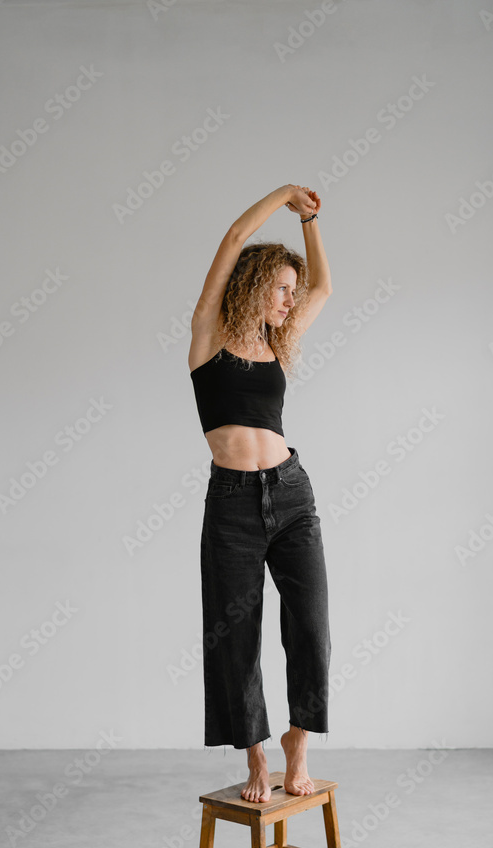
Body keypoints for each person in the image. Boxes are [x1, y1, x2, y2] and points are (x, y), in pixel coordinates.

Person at [188, 183, 333, 803]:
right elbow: (233, 238)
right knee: (235, 634)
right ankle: (256, 761)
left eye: (290, 292)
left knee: (311, 627)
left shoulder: (277, 341)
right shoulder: (207, 335)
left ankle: (296, 745)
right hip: (232, 507)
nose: (290, 298)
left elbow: (324, 287)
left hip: (293, 496)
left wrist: (311, 225)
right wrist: (282, 195)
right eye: (280, 287)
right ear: (251, 286)